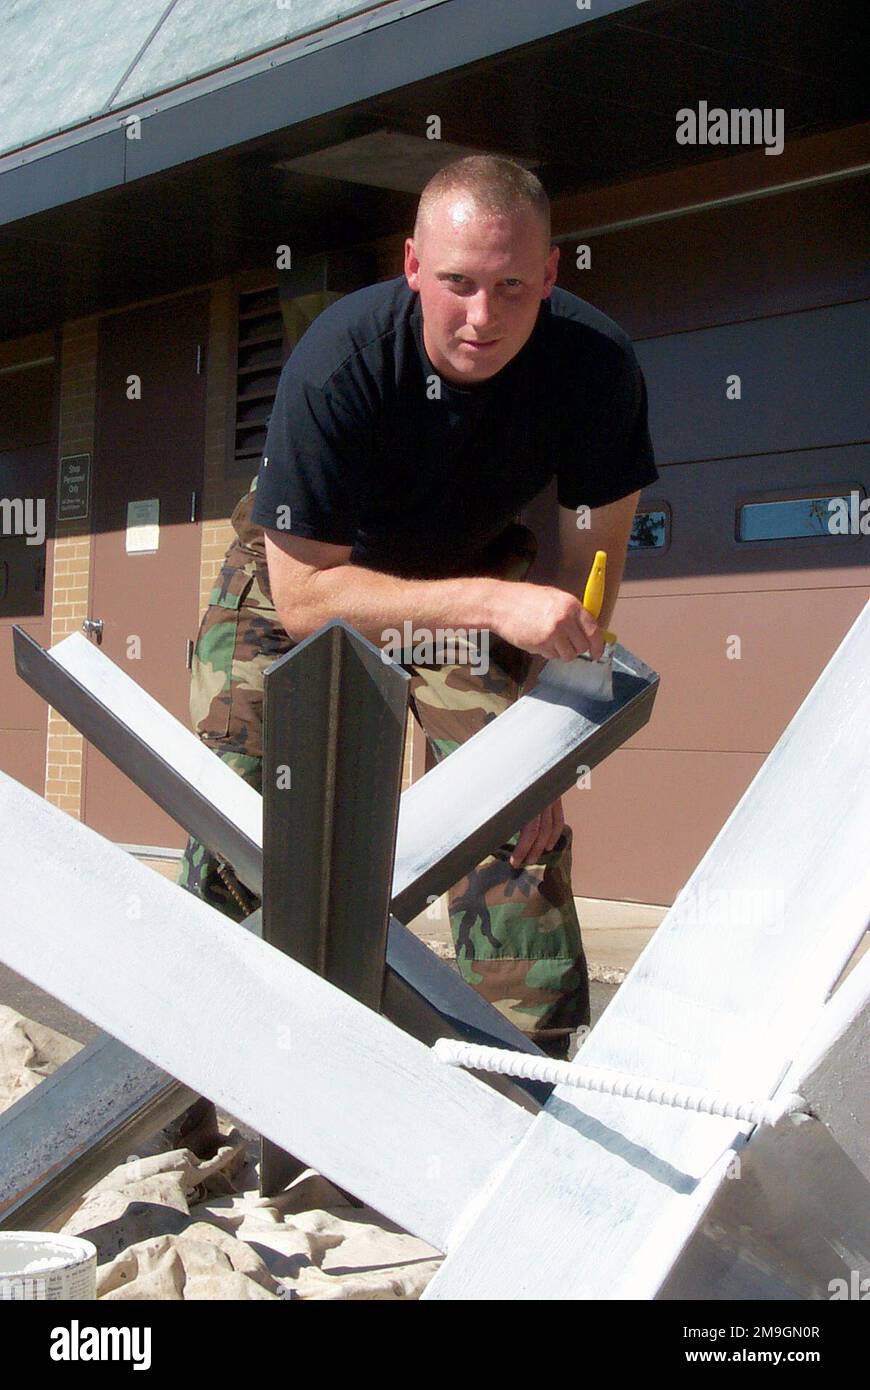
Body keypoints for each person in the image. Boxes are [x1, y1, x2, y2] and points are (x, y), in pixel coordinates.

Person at [179, 154, 658, 1059]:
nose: (482, 317)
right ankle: (189, 1086)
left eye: (513, 286)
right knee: (237, 809)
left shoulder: (596, 368)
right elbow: (309, 595)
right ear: (411, 266)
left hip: (470, 579)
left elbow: (591, 560)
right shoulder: (340, 360)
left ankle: (527, 1084)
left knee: (516, 819)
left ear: (552, 274)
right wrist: (491, 603)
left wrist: (543, 750)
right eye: (457, 283)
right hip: (311, 575)